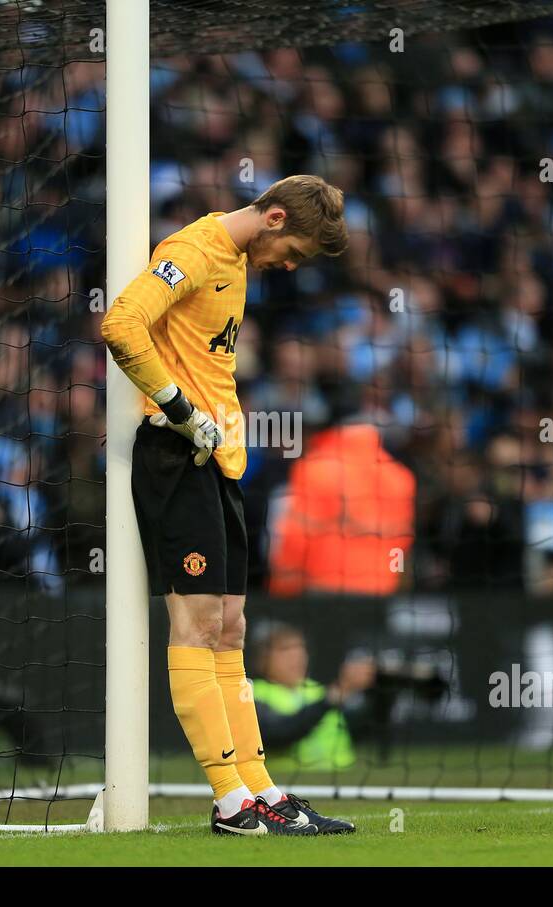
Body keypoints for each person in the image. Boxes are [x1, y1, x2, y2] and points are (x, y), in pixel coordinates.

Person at [100, 175, 355, 835]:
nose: (289, 266)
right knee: (197, 626)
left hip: (218, 461)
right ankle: (228, 800)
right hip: (173, 451)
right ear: (272, 217)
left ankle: (260, 788)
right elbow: (122, 323)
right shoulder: (193, 250)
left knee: (232, 629)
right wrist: (180, 410)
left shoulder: (237, 261)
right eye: (293, 251)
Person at [249, 621, 377, 772]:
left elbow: (359, 730)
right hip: (288, 785)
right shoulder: (253, 693)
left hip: (341, 781)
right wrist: (331, 698)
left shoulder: (317, 690)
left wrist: (373, 692)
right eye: (285, 650)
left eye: (300, 649)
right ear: (263, 659)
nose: (296, 657)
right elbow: (279, 734)